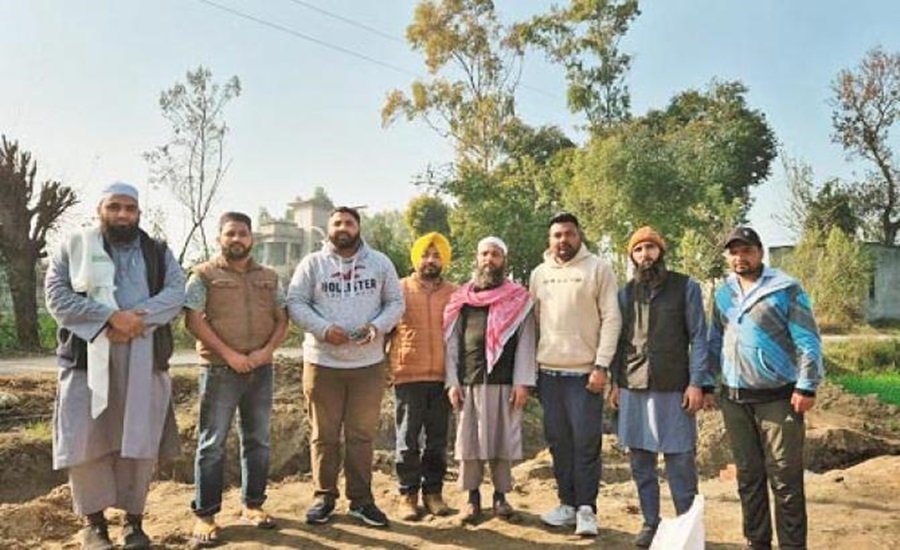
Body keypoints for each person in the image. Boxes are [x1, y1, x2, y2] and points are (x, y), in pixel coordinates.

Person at [45, 182, 184, 550]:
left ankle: (133, 524)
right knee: (84, 438)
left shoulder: (158, 252)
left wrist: (134, 320)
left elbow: (175, 294)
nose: (122, 214)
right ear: (100, 210)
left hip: (143, 355)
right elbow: (56, 297)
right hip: (87, 357)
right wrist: (109, 318)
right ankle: (94, 526)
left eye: (129, 208)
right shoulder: (74, 247)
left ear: (138, 213)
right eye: (114, 207)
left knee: (138, 438)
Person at [286, 206, 404, 528]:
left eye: (349, 222)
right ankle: (323, 497)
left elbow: (396, 302)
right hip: (322, 364)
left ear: (358, 227)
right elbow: (295, 302)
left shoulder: (380, 263)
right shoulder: (312, 263)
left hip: (368, 366)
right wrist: (324, 329)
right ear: (329, 229)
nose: (342, 227)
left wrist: (377, 327)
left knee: (361, 436)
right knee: (324, 435)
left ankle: (361, 501)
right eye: (337, 222)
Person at [709, 226, 824, 550]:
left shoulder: (785, 289)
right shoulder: (723, 294)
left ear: (760, 252)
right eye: (733, 252)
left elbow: (808, 340)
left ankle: (792, 545)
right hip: (734, 399)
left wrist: (807, 385)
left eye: (746, 250)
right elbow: (714, 340)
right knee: (748, 476)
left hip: (778, 399)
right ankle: (757, 541)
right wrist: (707, 382)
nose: (739, 257)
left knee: (785, 478)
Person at [184, 212, 289, 546]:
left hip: (261, 369)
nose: (237, 239)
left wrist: (265, 352)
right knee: (212, 444)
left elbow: (283, 318)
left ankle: (253, 505)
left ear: (252, 239)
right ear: (219, 238)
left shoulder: (270, 277)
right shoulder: (203, 275)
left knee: (257, 440)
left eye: (243, 233)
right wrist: (229, 355)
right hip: (219, 370)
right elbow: (193, 319)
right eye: (230, 233)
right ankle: (205, 514)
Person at [608, 226, 713, 547]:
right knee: (641, 461)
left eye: (651, 248)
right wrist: (615, 383)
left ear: (661, 252)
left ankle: (687, 527)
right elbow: (619, 341)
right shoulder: (625, 294)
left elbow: (699, 337)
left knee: (680, 460)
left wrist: (697, 383)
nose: (645, 255)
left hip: (675, 386)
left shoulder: (686, 287)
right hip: (633, 385)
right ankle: (650, 523)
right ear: (632, 257)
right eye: (638, 250)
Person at [529, 212, 622, 537]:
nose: (563, 240)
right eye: (557, 235)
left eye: (569, 234)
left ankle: (586, 509)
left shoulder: (598, 268)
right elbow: (535, 323)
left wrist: (601, 365)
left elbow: (612, 318)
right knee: (559, 443)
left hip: (585, 376)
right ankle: (567, 505)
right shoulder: (539, 274)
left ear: (579, 236)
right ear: (549, 239)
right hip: (549, 374)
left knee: (586, 444)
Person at [444, 236, 536, 523]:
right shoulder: (462, 299)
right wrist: (452, 381)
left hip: (505, 382)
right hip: (469, 381)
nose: (489, 259)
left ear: (503, 260)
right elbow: (452, 344)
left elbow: (526, 342)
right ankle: (471, 498)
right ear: (477, 258)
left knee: (502, 441)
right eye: (484, 253)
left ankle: (500, 497)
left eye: (495, 254)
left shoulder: (519, 299)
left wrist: (522, 382)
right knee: (469, 442)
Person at [388, 232, 457, 520]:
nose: (430, 260)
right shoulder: (398, 289)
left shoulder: (454, 293)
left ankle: (433, 493)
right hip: (408, 375)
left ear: (444, 261)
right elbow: (386, 329)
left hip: (442, 378)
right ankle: (408, 494)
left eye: (436, 255)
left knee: (437, 441)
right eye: (425, 255)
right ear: (416, 258)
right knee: (407, 440)